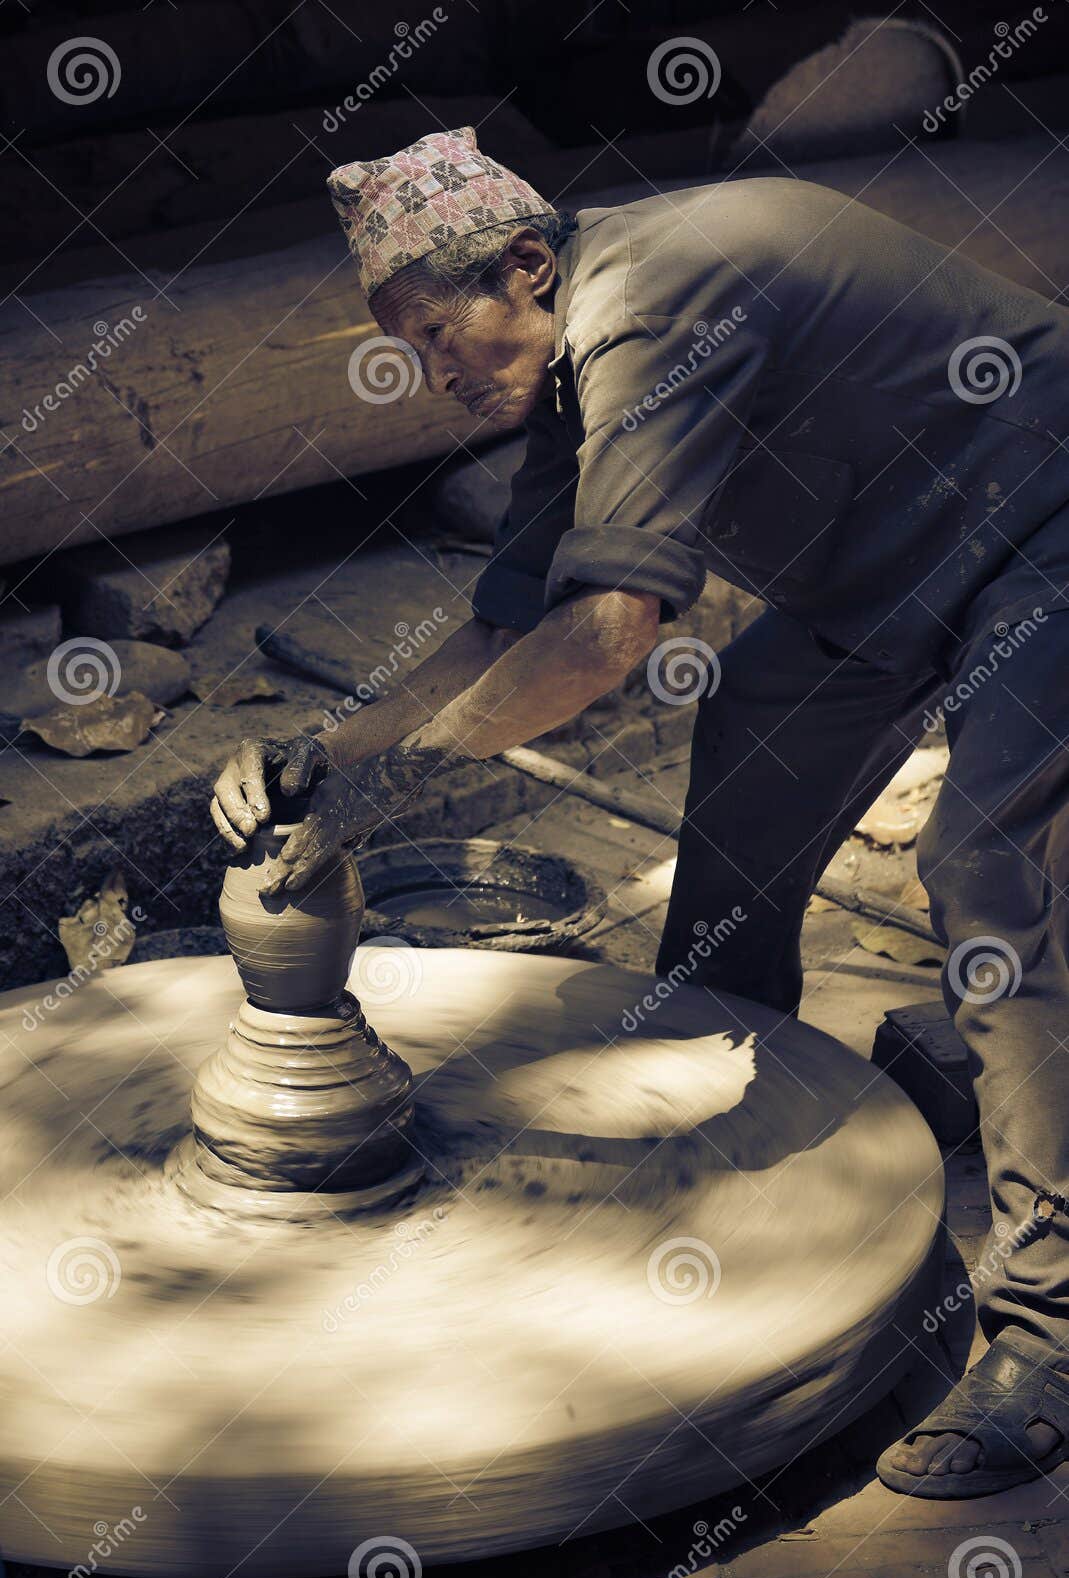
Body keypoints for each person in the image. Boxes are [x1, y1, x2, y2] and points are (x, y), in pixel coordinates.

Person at [212, 126, 1069, 1499]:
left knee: (987, 869)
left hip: (1048, 520)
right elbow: (504, 623)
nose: (434, 376)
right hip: (900, 564)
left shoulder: (649, 297)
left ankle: (1048, 1328)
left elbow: (606, 633)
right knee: (752, 731)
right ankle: (755, 1117)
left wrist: (390, 789)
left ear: (526, 266)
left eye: (440, 335)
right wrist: (322, 750)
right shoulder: (566, 359)